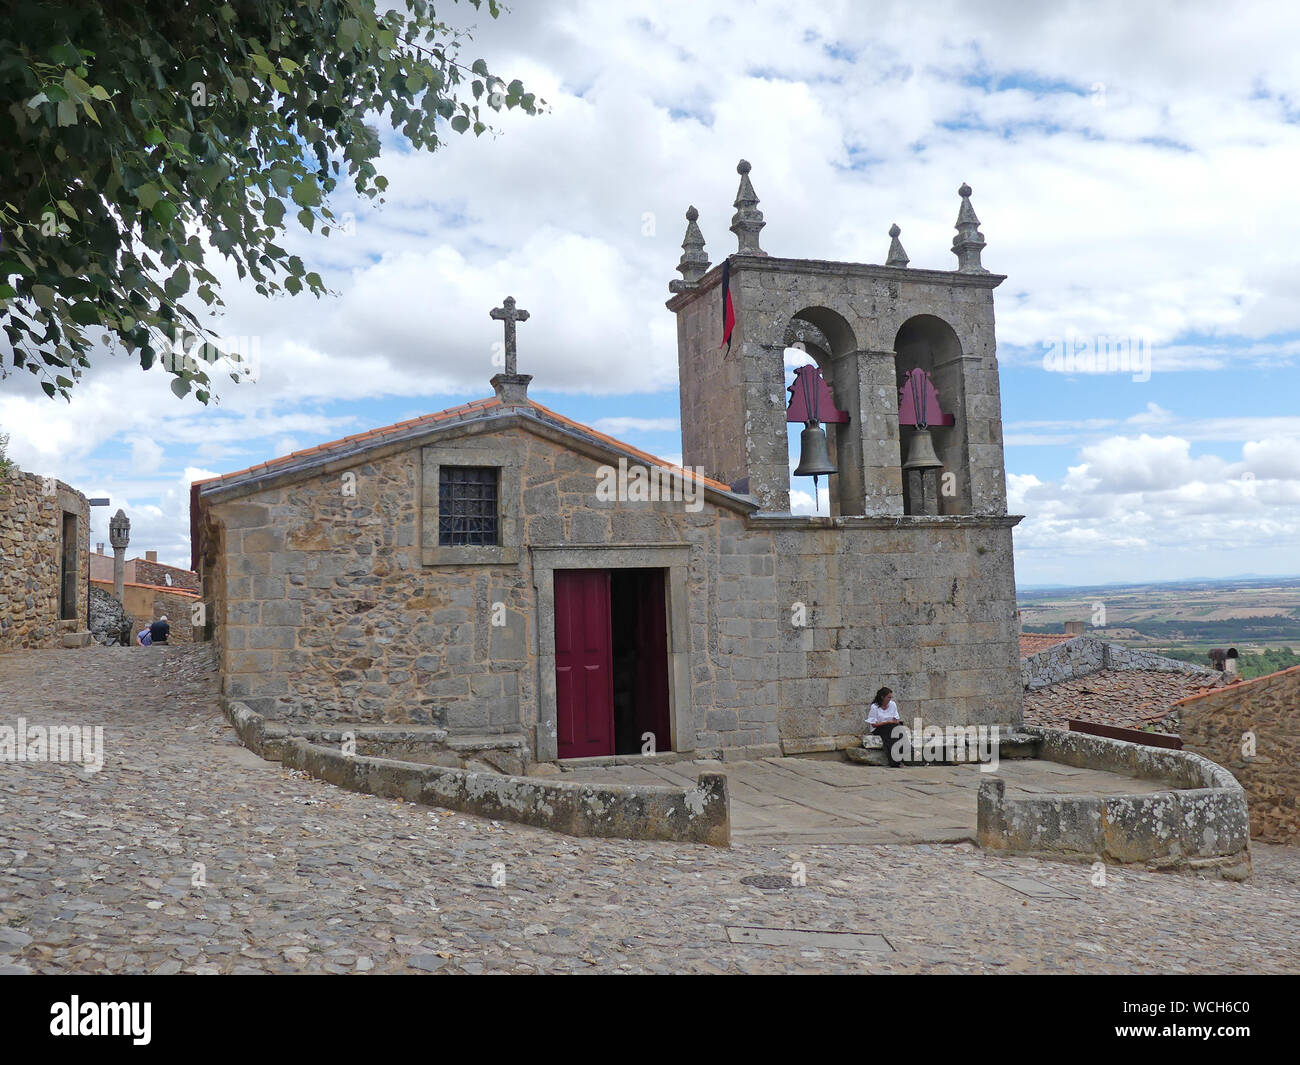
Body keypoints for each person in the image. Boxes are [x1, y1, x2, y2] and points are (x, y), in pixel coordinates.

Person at [867, 686, 906, 767]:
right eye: (888, 697)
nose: (890, 699)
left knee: (898, 732)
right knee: (890, 735)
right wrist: (887, 722)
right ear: (882, 697)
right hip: (879, 728)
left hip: (891, 726)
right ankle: (896, 760)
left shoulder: (892, 704)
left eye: (890, 697)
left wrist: (895, 721)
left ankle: (907, 753)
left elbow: (896, 718)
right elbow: (873, 724)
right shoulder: (874, 707)